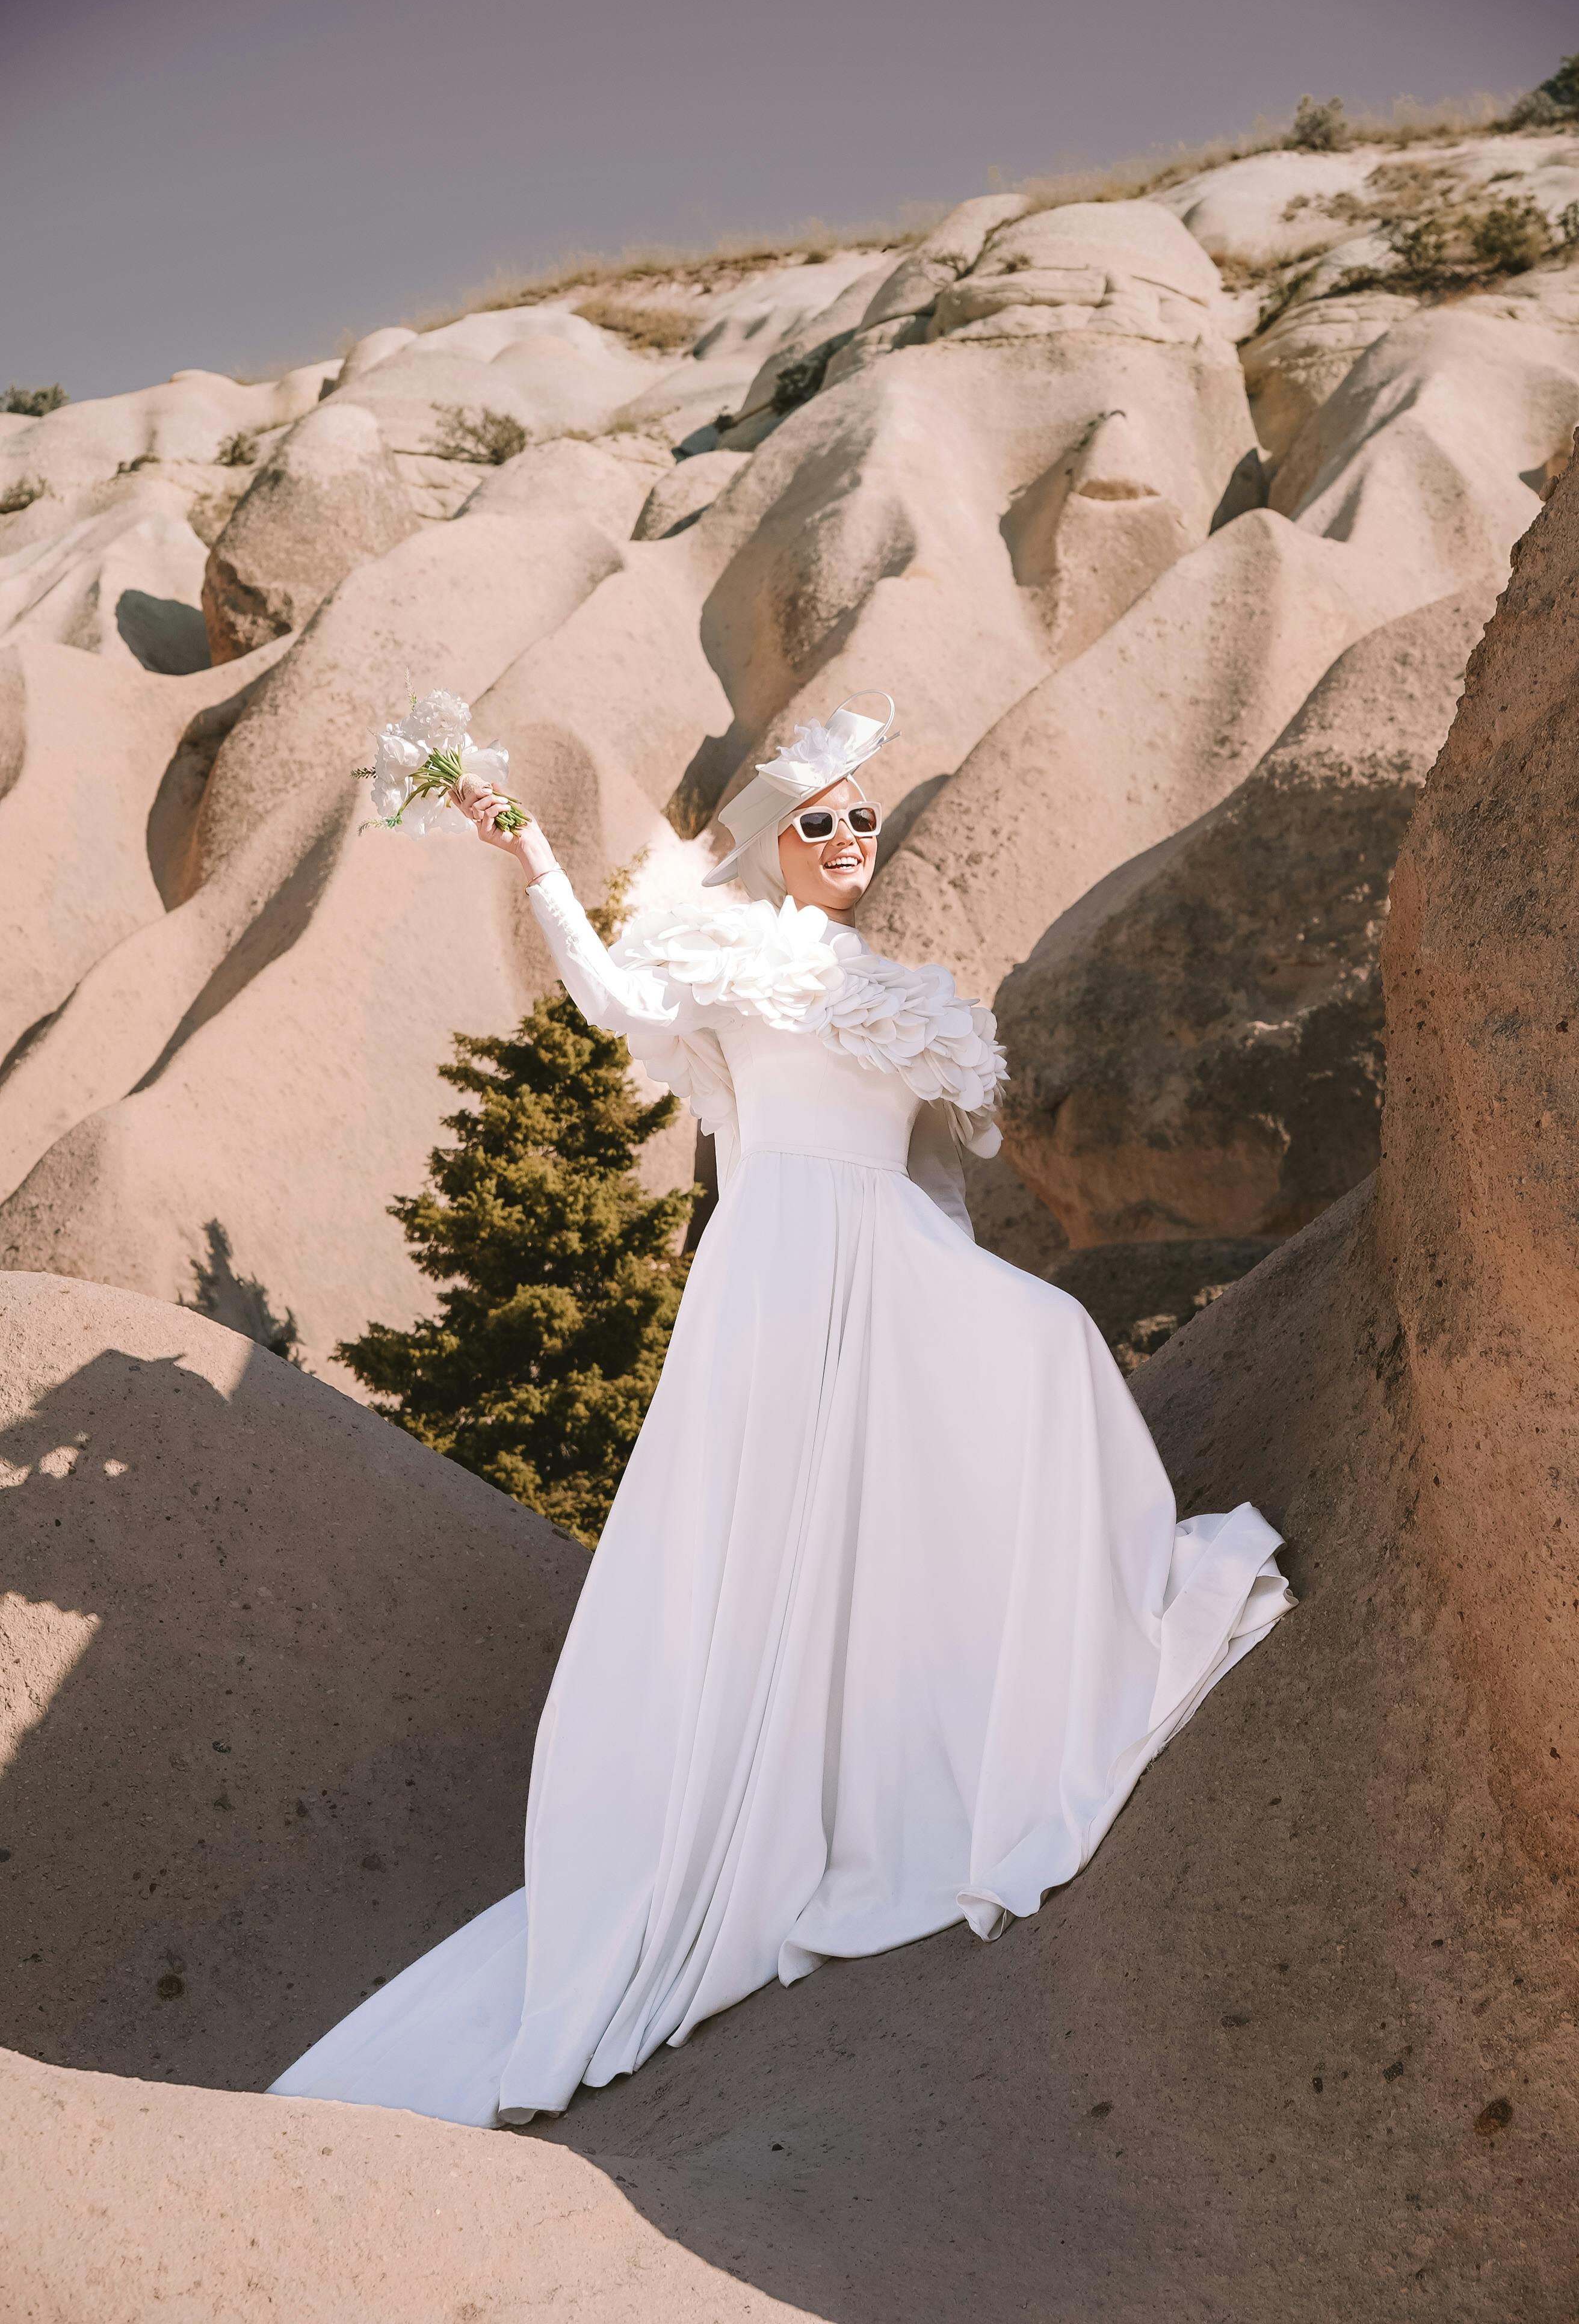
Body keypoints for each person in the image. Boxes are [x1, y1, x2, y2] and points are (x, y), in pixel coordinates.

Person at [270, 694, 1291, 2128]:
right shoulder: (724, 955)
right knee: (781, 1533)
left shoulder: (900, 992)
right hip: (783, 1266)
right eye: (821, 820)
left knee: (1051, 1341)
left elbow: (933, 1180)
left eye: (864, 817)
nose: (850, 836)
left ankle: (1062, 1659)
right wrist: (532, 854)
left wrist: (943, 1302)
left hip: (895, 1252)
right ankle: (788, 1803)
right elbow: (614, 1003)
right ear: (771, 840)